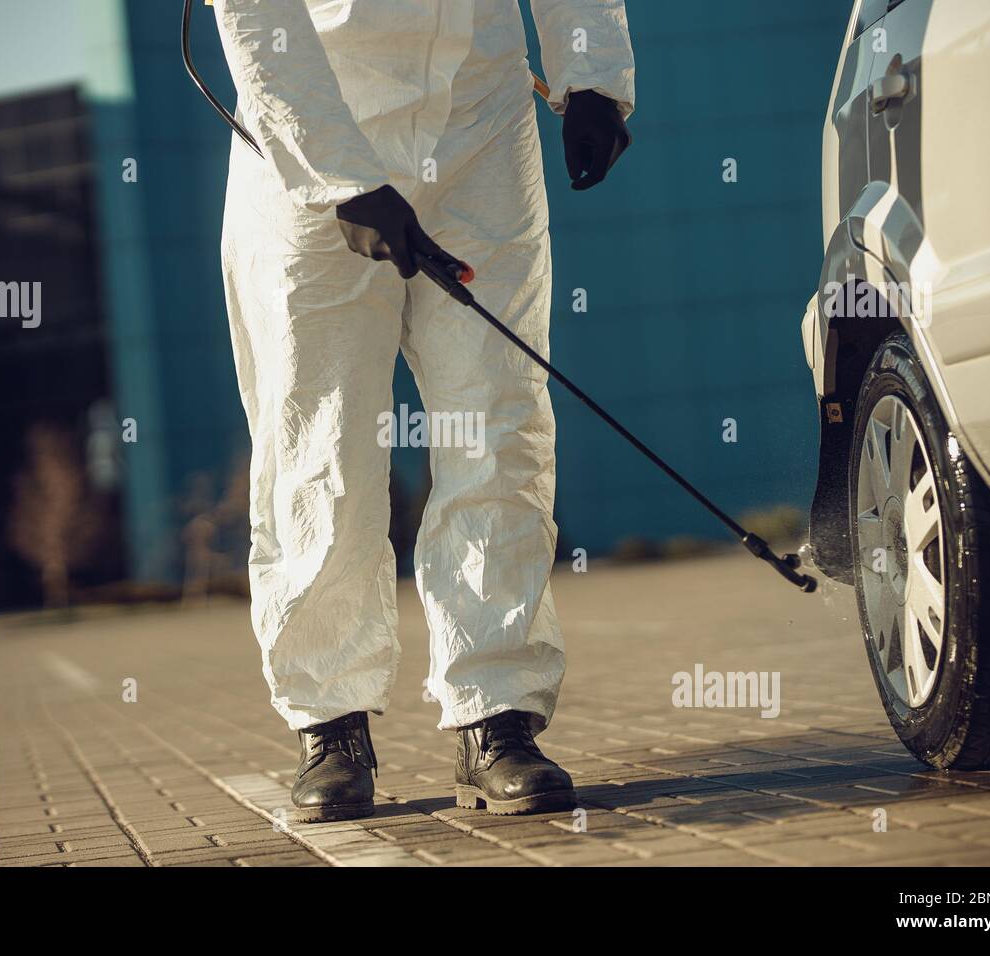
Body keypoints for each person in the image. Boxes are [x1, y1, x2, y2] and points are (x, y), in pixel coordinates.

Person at [213, 0, 634, 821]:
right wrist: (338, 174)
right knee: (320, 445)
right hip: (303, 137)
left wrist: (591, 75)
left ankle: (497, 715)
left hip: (477, 118)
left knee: (498, 417)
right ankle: (329, 724)